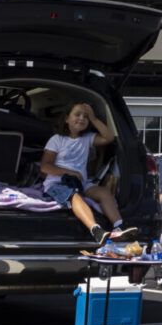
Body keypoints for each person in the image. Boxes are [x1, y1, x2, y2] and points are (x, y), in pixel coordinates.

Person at [41, 101, 132, 243]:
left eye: (86, 116)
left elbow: (109, 138)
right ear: (66, 119)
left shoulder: (87, 138)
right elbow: (45, 167)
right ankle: (96, 230)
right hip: (57, 182)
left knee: (104, 193)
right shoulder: (57, 139)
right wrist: (69, 172)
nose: (82, 118)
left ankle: (118, 228)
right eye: (77, 114)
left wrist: (94, 119)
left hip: (81, 182)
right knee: (75, 196)